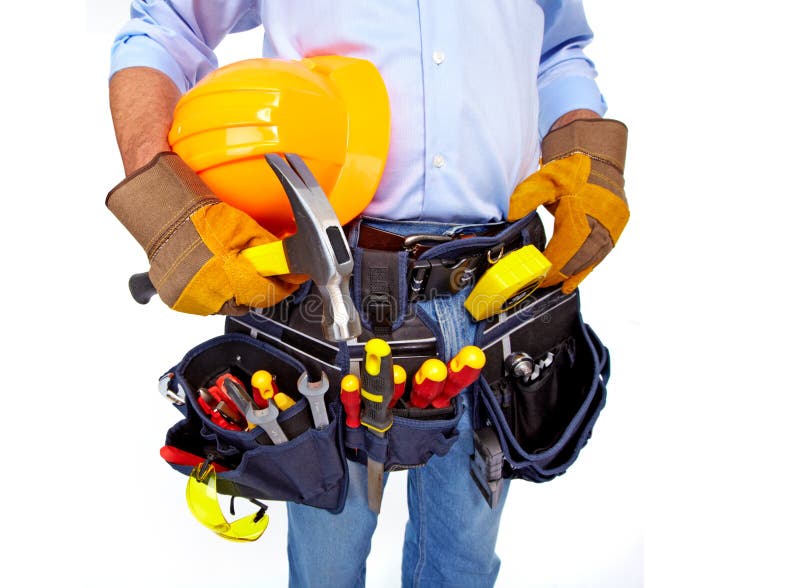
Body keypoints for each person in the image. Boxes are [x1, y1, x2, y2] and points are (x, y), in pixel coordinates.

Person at [107, 2, 629, 586]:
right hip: (326, 304)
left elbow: (559, 53)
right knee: (326, 569)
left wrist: (591, 153)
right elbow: (164, 29)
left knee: (463, 566)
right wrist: (168, 211)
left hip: (495, 294)